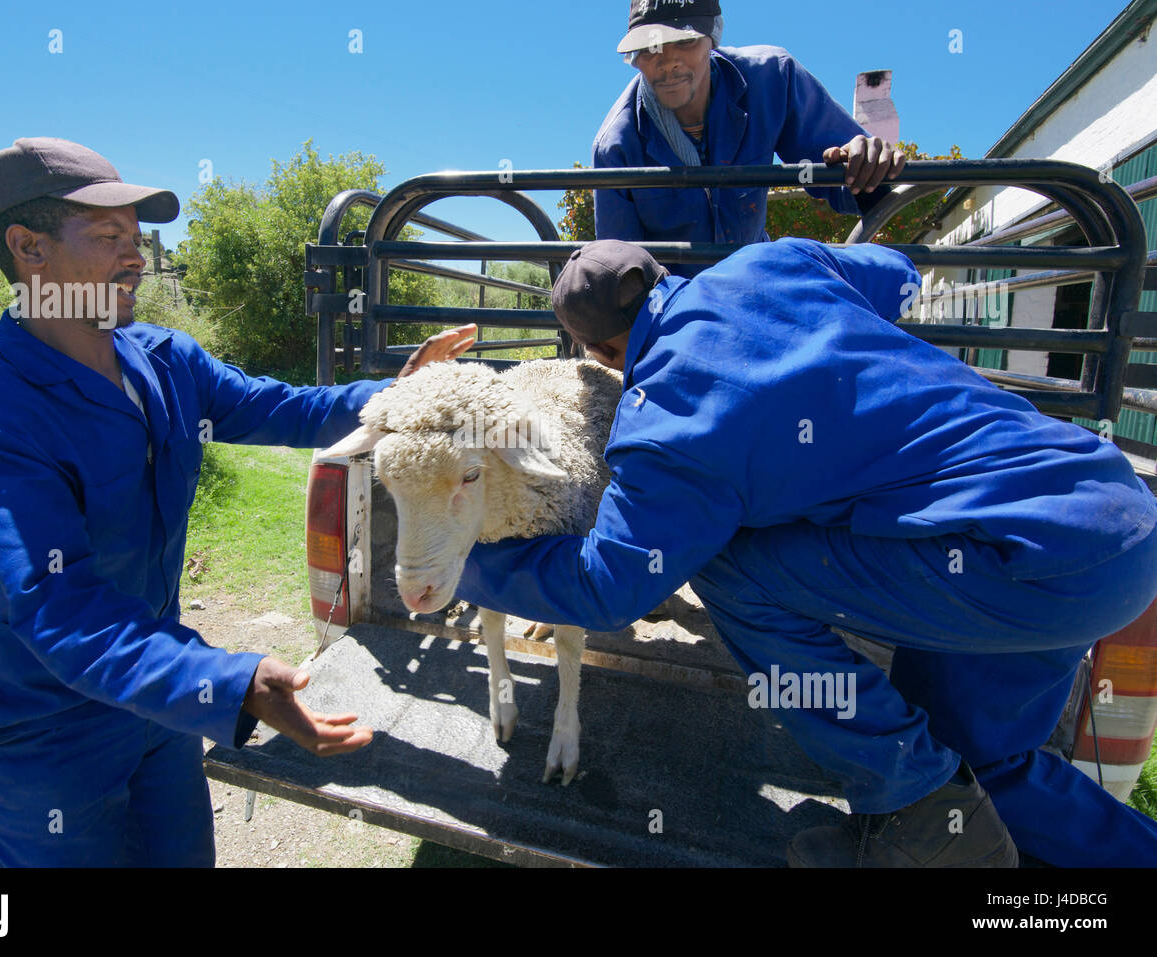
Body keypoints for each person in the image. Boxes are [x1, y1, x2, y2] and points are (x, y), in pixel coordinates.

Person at [452, 238, 1157, 867]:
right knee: (988, 759)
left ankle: (912, 806)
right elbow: (901, 274)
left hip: (1019, 563)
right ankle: (982, 825)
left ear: (599, 353)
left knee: (729, 565)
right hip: (1110, 510)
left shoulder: (665, 419)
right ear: (663, 274)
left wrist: (462, 565)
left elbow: (608, 588)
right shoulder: (774, 260)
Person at [0, 137, 475, 866]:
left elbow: (282, 407)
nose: (137, 257)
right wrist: (232, 682)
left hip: (158, 694)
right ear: (28, 248)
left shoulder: (164, 360)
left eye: (137, 236)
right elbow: (63, 613)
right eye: (108, 236)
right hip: (44, 721)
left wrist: (396, 393)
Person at [594, 0, 908, 274]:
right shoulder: (616, 145)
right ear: (635, 58)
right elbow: (623, 273)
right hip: (675, 311)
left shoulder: (773, 79)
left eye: (685, 41)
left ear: (713, 37)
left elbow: (849, 185)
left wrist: (863, 164)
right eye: (650, 48)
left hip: (754, 285)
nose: (668, 60)